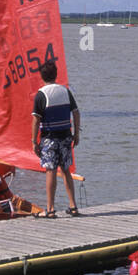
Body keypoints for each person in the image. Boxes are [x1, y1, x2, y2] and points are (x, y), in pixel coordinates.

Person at [31, 60, 80, 217]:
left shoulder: (41, 94)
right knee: (66, 170)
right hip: (66, 136)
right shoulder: (65, 91)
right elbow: (76, 112)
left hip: (49, 138)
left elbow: (36, 120)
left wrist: (34, 141)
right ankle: (73, 206)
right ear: (56, 74)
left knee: (50, 171)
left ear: (41, 76)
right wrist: (76, 134)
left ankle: (50, 209)